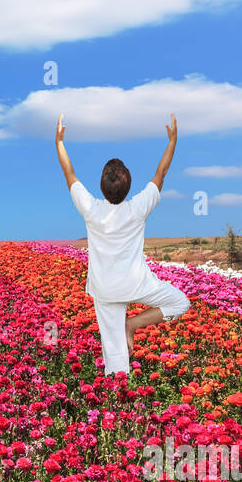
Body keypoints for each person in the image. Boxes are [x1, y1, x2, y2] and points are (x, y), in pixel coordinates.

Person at [55, 112, 190, 375]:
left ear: (102, 187)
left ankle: (117, 403)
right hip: (136, 283)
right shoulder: (138, 207)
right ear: (128, 187)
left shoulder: (91, 209)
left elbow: (69, 174)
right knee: (179, 302)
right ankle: (133, 325)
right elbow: (161, 173)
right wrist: (172, 140)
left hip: (104, 289)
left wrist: (59, 142)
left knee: (114, 356)